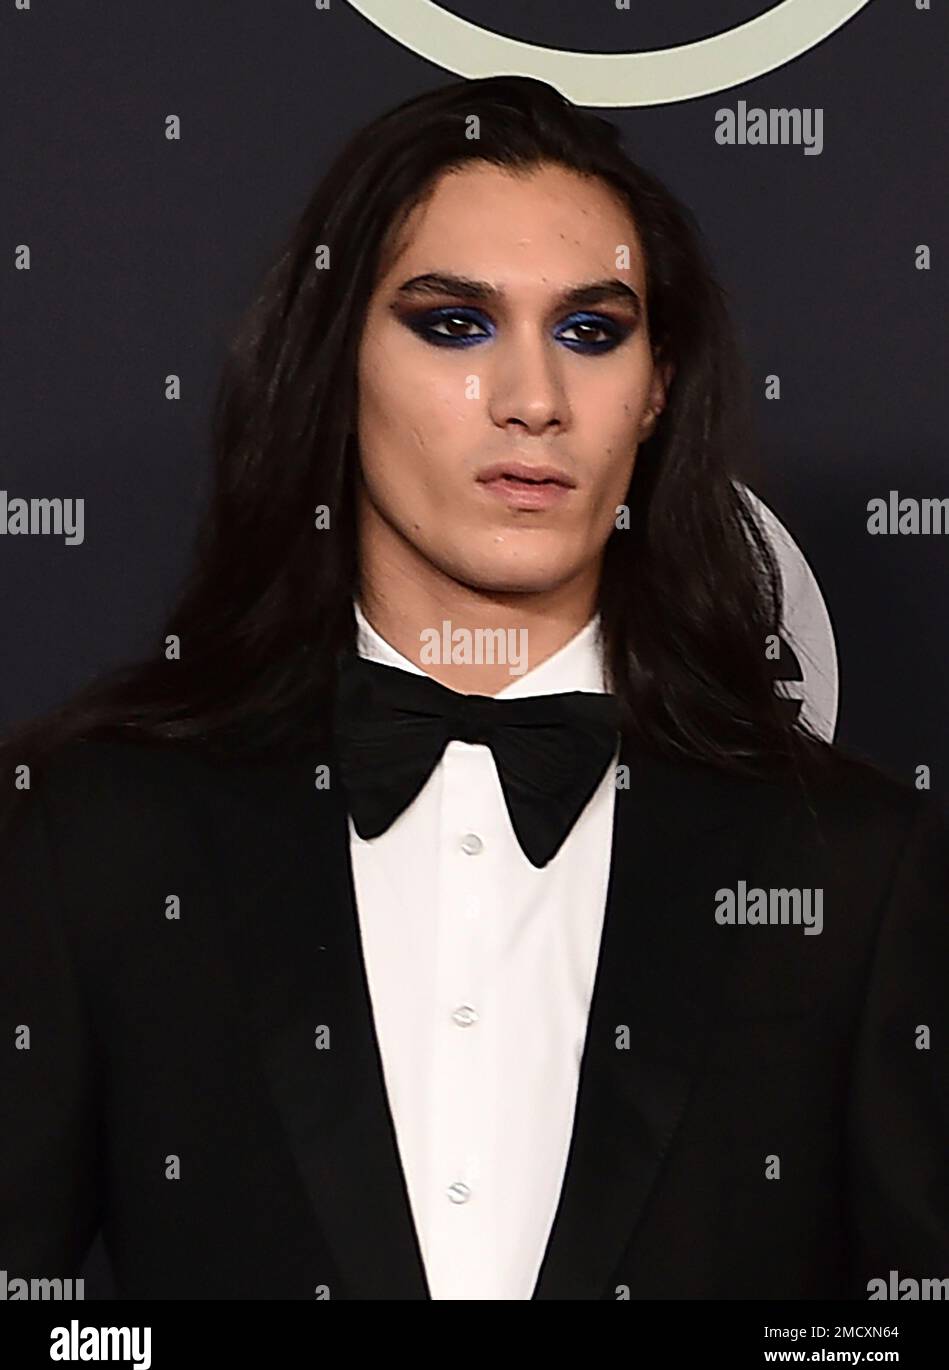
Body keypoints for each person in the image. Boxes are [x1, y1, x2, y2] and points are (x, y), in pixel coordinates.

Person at [1, 75, 946, 1302]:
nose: (533, 401)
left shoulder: (850, 866)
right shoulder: (98, 833)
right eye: (454, 324)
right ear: (334, 364)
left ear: (657, 392)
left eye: (591, 331)